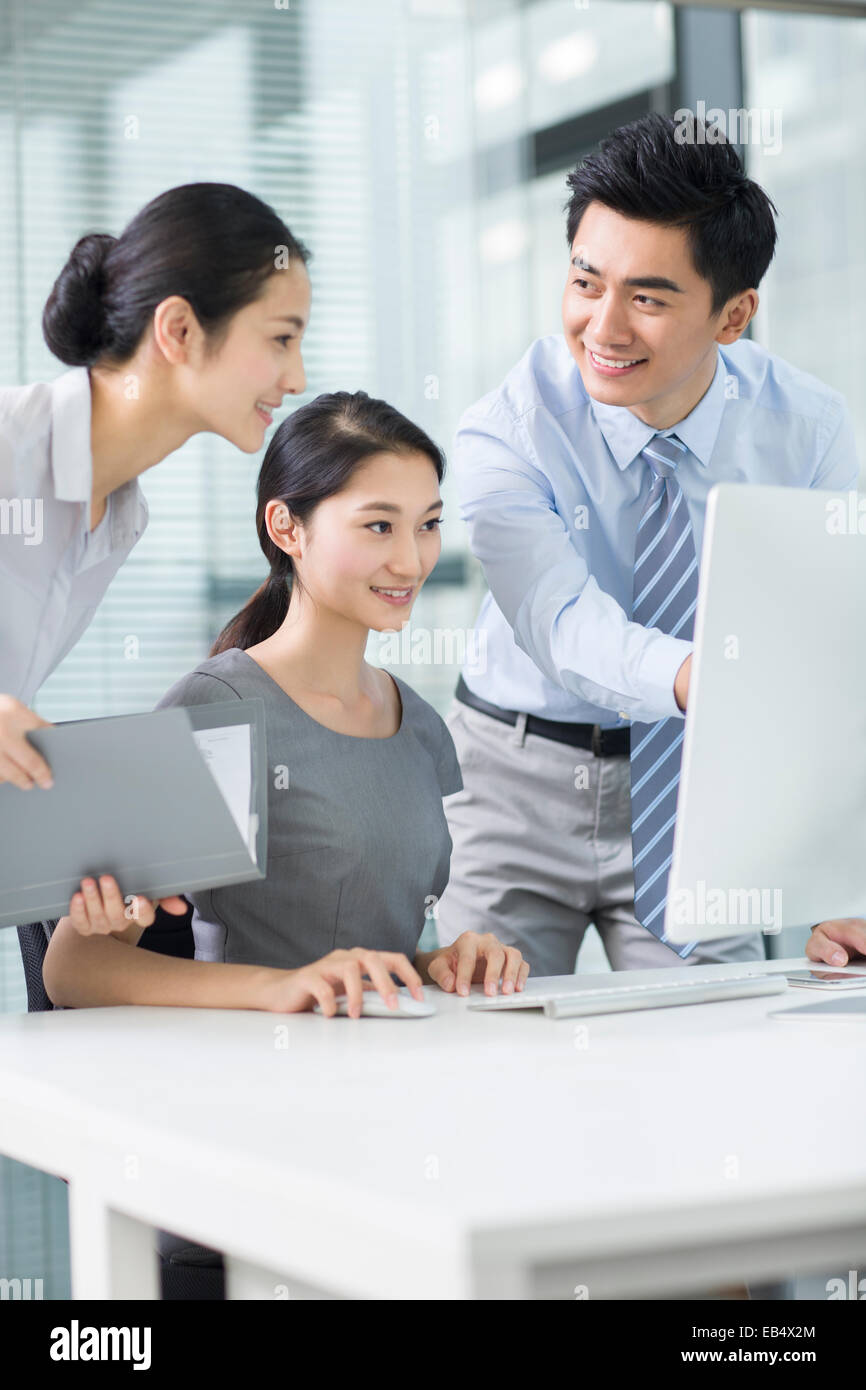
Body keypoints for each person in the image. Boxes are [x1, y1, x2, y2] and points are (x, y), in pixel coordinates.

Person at [434, 112, 865, 975]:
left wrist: (841, 882)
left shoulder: (808, 431)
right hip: (514, 778)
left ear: (734, 314)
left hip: (704, 784)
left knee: (717, 1055)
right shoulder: (506, 430)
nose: (605, 326)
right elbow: (561, 625)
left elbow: (838, 650)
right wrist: (704, 679)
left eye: (649, 297)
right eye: (587, 282)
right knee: (483, 1048)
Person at [42, 391, 530, 1015]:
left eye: (428, 524)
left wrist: (437, 966)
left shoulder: (421, 727)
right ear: (286, 527)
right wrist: (279, 989)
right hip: (254, 1076)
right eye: (379, 525)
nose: (411, 560)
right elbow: (77, 968)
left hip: (389, 1065)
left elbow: (354, 961)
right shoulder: (215, 709)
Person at [0, 180, 311, 933]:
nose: (297, 378)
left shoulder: (117, 515)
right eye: (280, 338)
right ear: (178, 330)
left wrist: (95, 855)